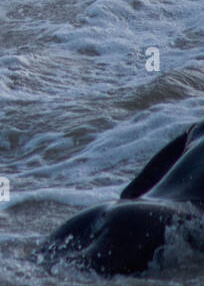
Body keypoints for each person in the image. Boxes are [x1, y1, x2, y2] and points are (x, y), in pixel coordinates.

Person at [38, 118, 204, 275]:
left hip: (101, 212)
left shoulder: (199, 129)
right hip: (152, 223)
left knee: (34, 270)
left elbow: (132, 192)